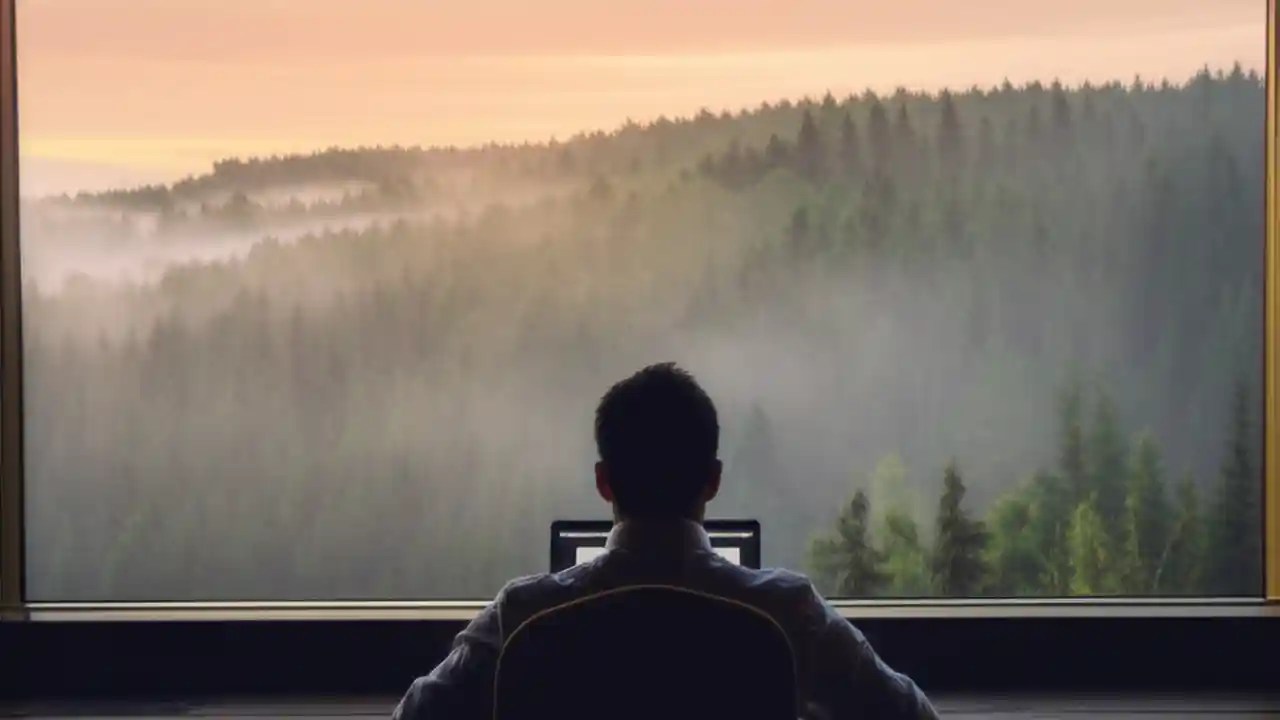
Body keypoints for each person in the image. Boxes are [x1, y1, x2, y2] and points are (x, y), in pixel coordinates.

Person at [393, 362, 940, 720]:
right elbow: (913, 717)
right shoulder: (789, 613)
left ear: (604, 481)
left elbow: (414, 716)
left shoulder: (522, 617)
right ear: (714, 480)